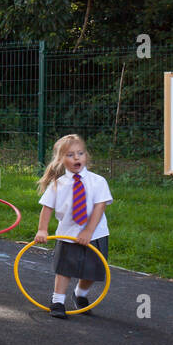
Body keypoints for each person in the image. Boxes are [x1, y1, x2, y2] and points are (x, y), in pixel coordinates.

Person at [33, 134, 112, 319]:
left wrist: (88, 232)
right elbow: (47, 209)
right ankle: (58, 301)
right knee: (64, 270)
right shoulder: (57, 185)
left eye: (80, 153)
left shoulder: (98, 182)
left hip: (96, 234)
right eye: (70, 155)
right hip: (67, 234)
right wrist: (42, 229)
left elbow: (99, 207)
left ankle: (80, 294)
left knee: (93, 270)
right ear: (61, 160)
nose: (77, 158)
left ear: (86, 156)